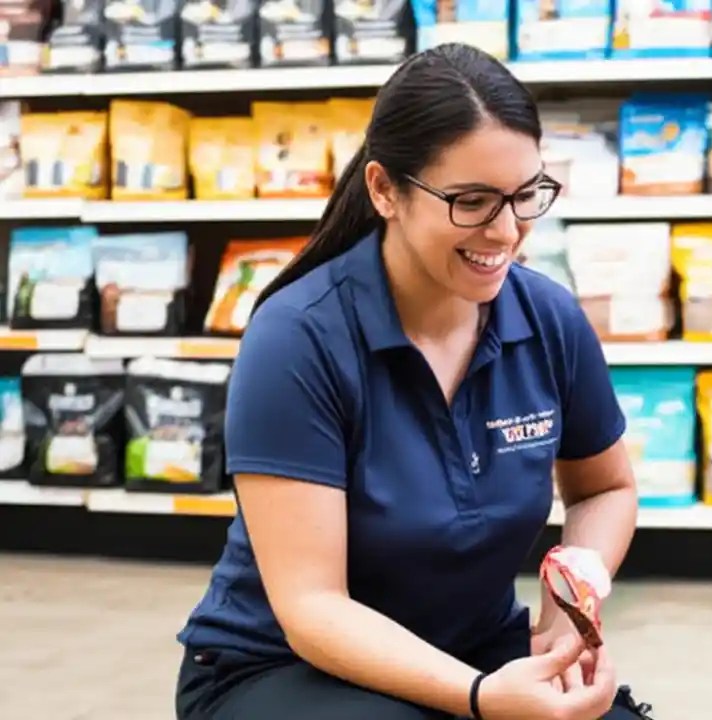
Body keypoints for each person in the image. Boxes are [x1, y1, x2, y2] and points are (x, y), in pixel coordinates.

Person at [174, 43, 653, 720]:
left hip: (478, 650)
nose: (507, 231)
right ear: (383, 190)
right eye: (472, 201)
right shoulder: (298, 337)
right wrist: (481, 699)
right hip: (284, 669)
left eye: (525, 196)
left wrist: (574, 596)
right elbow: (312, 607)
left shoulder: (547, 319)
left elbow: (604, 487)